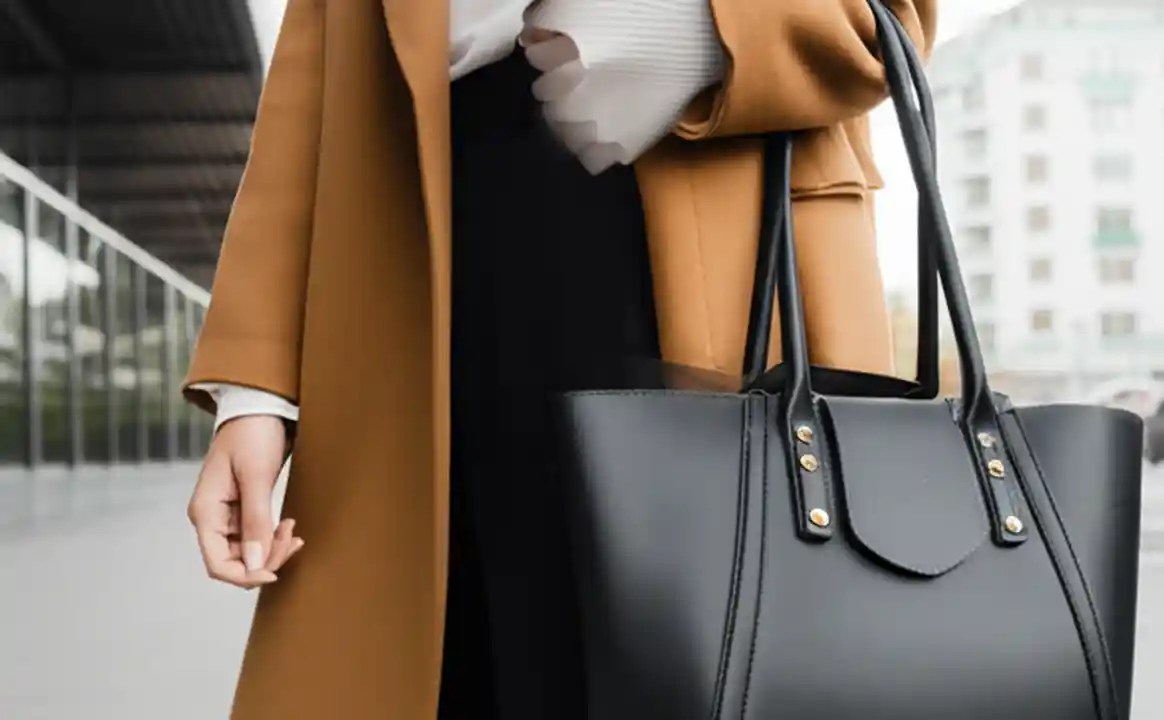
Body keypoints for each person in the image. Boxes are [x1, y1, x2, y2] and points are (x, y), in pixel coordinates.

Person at [182, 0, 936, 717]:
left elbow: (888, 15)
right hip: (424, 235)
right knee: (466, 658)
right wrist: (257, 384)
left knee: (713, 649)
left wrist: (699, 28)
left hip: (717, 180)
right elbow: (313, 72)